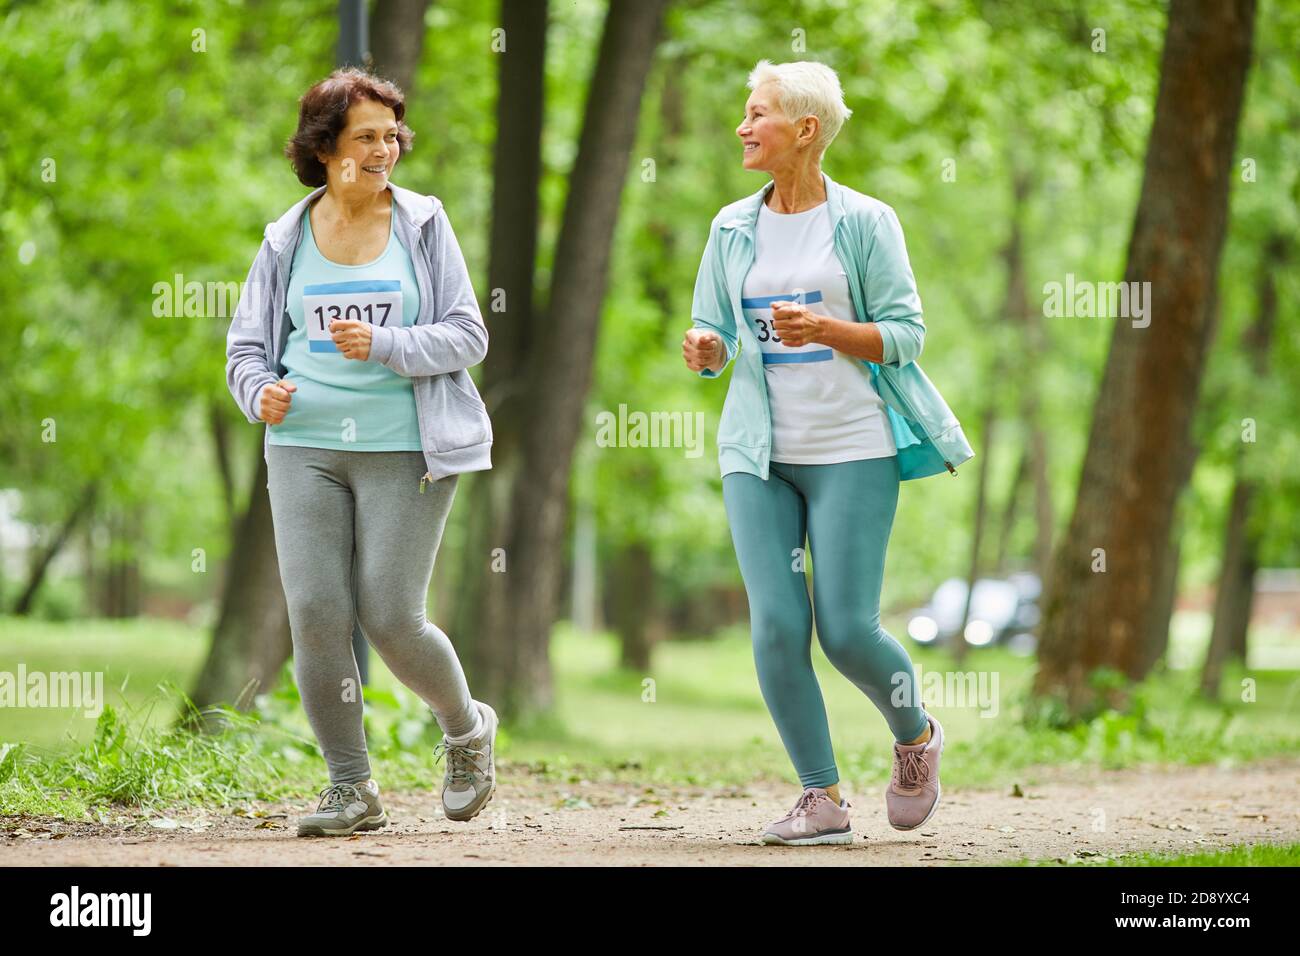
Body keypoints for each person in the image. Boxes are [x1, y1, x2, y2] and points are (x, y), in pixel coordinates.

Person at [682, 60, 974, 846]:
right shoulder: (730, 226)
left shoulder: (865, 222)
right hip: (760, 453)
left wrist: (830, 332)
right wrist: (707, 349)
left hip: (853, 448)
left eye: (758, 115)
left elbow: (907, 335)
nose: (743, 128)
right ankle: (822, 799)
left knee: (845, 628)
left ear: (804, 130)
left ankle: (915, 736)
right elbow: (713, 339)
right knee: (778, 626)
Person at [225, 68, 497, 836]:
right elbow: (246, 350)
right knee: (314, 612)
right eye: (366, 137)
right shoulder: (285, 237)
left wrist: (385, 343)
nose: (384, 150)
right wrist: (259, 393)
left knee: (390, 615)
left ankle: (467, 729)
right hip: (303, 444)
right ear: (325, 149)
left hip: (407, 445)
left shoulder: (423, 225)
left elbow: (468, 334)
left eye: (391, 136)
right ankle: (351, 788)